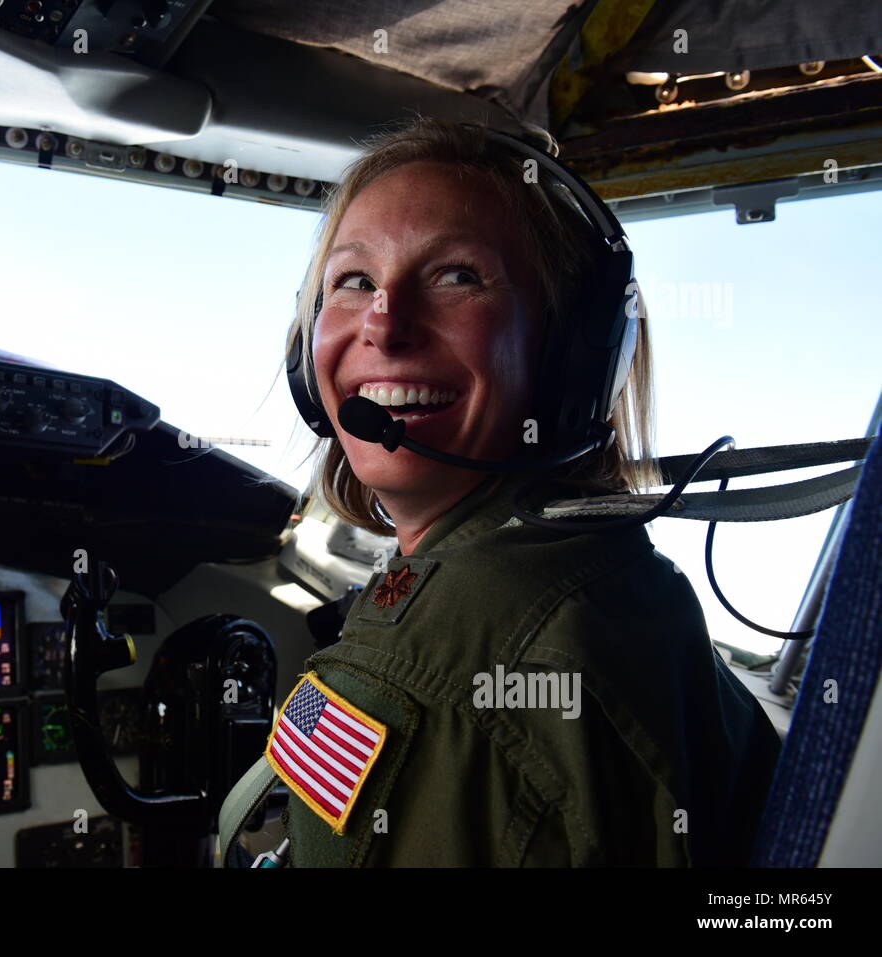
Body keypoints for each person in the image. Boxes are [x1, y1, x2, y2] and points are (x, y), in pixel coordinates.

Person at [230, 116, 783, 866]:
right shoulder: (612, 581)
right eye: (354, 281)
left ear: (572, 359)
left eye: (457, 275)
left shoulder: (443, 670)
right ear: (308, 355)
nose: (385, 326)